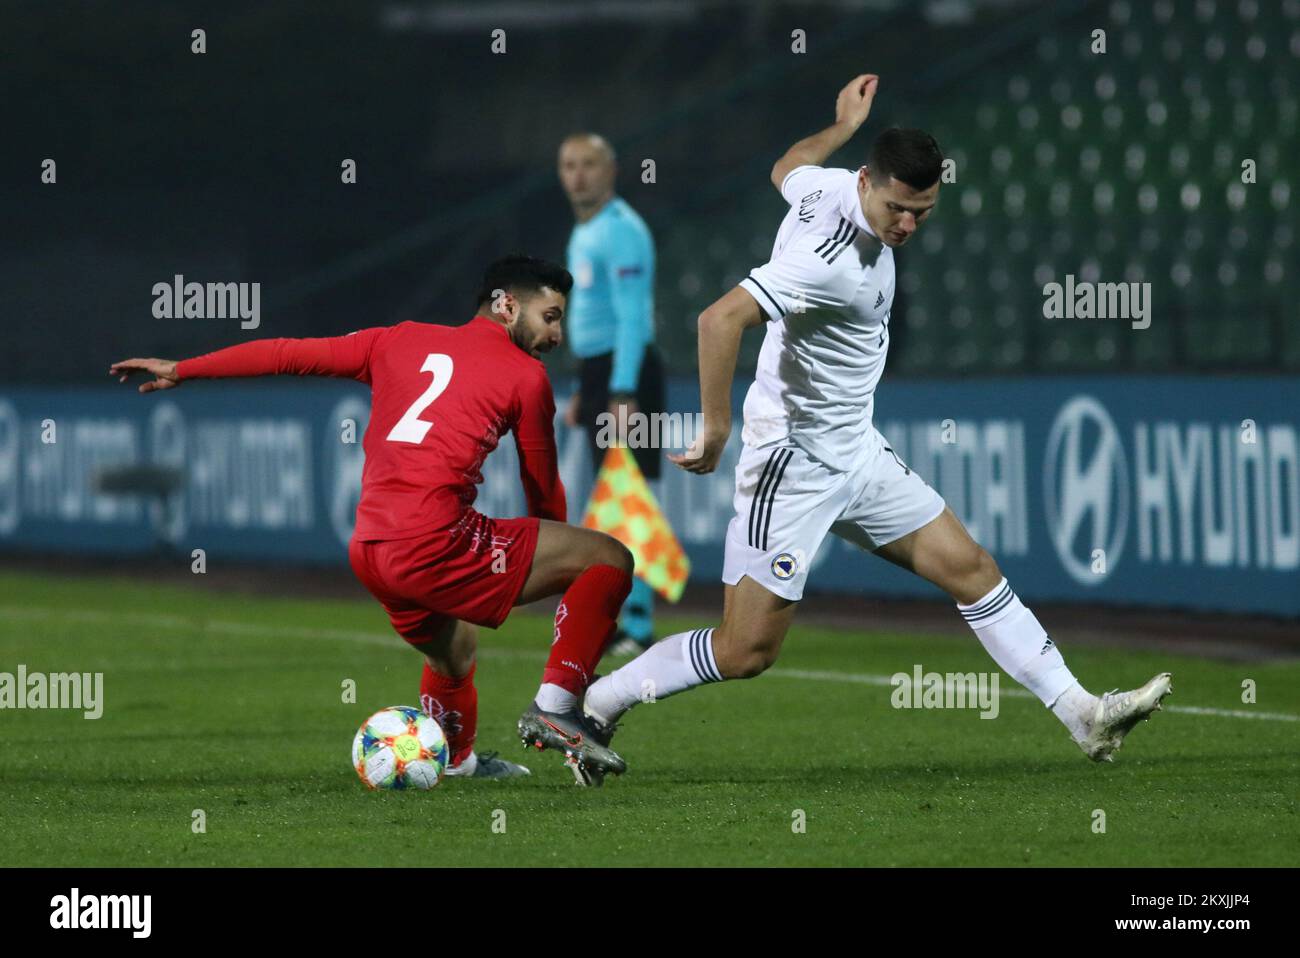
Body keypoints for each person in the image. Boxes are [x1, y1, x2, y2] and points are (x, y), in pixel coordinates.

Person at [571, 75, 1171, 775]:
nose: (908, 225)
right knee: (745, 653)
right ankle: (598, 702)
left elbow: (784, 167)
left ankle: (1084, 717)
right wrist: (714, 428)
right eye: (898, 208)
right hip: (790, 463)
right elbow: (718, 318)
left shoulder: (826, 185)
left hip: (855, 452)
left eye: (923, 210)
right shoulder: (827, 263)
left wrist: (839, 124)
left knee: (972, 570)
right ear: (867, 185)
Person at [111, 255, 633, 781]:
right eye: (550, 316)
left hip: (371, 550)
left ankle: (455, 761)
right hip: (434, 542)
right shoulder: (527, 377)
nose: (557, 333)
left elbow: (286, 354)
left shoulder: (396, 339)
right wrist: (562, 565)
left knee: (454, 652)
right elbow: (540, 485)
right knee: (609, 558)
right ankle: (557, 708)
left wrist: (184, 368)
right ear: (507, 305)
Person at [557, 132, 663, 656]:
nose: (578, 175)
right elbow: (590, 317)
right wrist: (585, 387)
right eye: (569, 165)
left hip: (630, 373)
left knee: (629, 498)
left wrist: (621, 390)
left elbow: (631, 318)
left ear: (611, 170)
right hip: (601, 375)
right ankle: (628, 617)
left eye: (588, 165)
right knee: (612, 500)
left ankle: (638, 623)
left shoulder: (622, 232)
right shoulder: (588, 231)